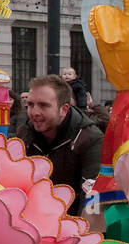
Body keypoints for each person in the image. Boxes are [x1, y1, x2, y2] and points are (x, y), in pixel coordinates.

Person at [15, 75, 103, 215]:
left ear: (64, 109)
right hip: (32, 221)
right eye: (31, 105)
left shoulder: (89, 138)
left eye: (44, 105)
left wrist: (80, 233)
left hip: (73, 224)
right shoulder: (24, 134)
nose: (35, 112)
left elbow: (93, 198)